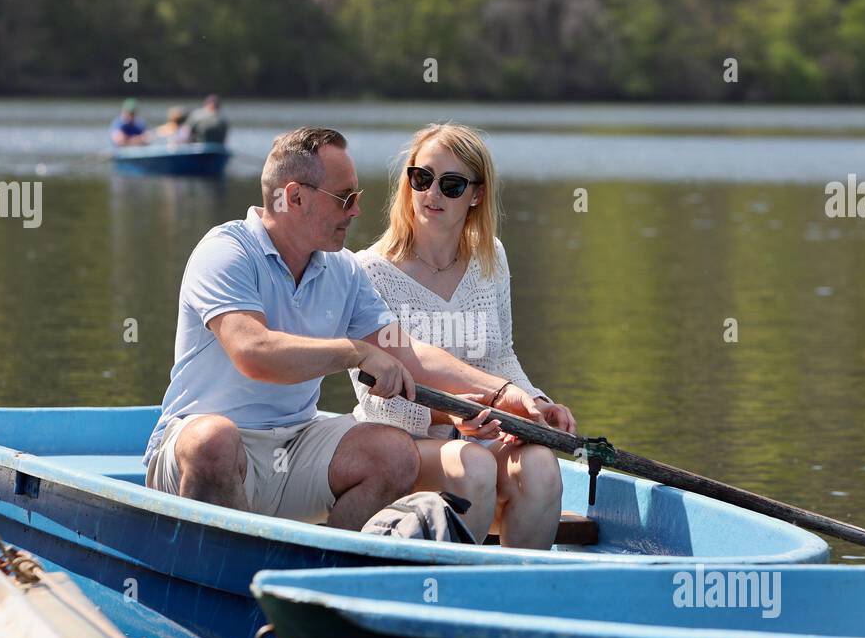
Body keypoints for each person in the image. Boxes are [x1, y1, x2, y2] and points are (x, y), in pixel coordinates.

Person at [143, 126, 555, 533]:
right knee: (213, 439)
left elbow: (406, 352)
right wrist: (353, 351)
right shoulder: (225, 251)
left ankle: (326, 581)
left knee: (395, 454)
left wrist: (503, 392)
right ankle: (232, 581)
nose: (357, 210)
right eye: (345, 198)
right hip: (200, 450)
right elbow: (254, 353)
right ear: (294, 197)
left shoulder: (342, 270)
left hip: (296, 444)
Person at [349, 123, 577, 548]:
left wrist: (536, 404)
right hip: (401, 444)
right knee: (472, 466)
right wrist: (450, 415)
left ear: (476, 195)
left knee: (543, 467)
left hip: (484, 435)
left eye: (451, 184)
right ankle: (446, 591)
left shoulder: (492, 258)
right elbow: (373, 399)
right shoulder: (367, 271)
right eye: (422, 178)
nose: (432, 194)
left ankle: (514, 596)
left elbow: (502, 357)